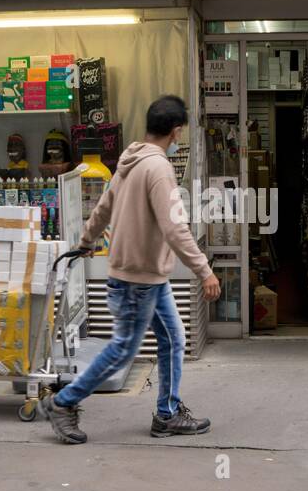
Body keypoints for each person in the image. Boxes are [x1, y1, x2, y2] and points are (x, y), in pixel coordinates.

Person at [37, 95, 221, 444]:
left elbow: (103, 207)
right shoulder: (159, 168)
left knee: (173, 338)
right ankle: (63, 403)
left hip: (147, 277)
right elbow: (175, 228)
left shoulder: (130, 160)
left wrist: (87, 240)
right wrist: (204, 271)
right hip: (138, 278)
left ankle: (167, 414)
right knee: (123, 348)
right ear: (176, 131)